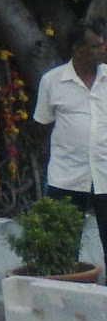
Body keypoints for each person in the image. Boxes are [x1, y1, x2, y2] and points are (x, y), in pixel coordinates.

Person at [33, 20, 107, 261]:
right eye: (95, 47)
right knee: (61, 247)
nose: (102, 50)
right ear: (78, 50)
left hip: (105, 175)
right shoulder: (53, 82)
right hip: (66, 176)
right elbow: (43, 126)